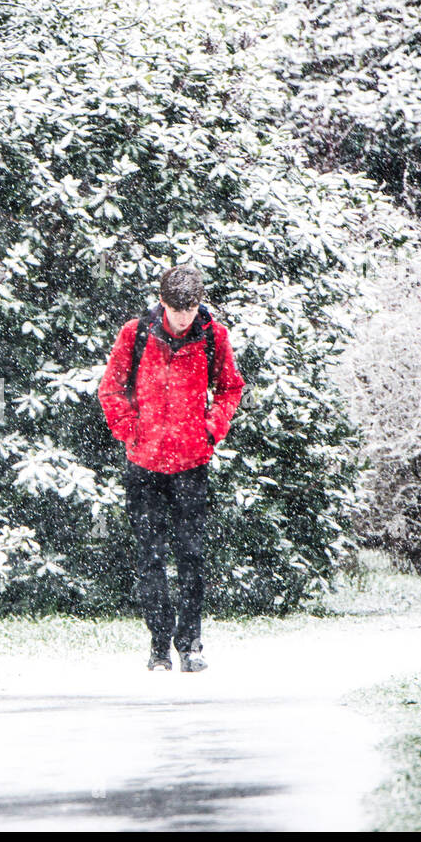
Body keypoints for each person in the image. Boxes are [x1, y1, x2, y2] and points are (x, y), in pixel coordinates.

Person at [97, 265, 245, 672]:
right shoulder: (135, 333)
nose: (184, 317)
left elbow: (231, 387)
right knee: (151, 557)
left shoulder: (213, 336)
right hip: (144, 463)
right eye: (177, 309)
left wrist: (212, 430)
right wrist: (131, 432)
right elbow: (111, 388)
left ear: (200, 304)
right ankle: (159, 644)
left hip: (191, 463)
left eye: (191, 309)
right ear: (162, 302)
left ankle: (191, 644)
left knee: (192, 555)